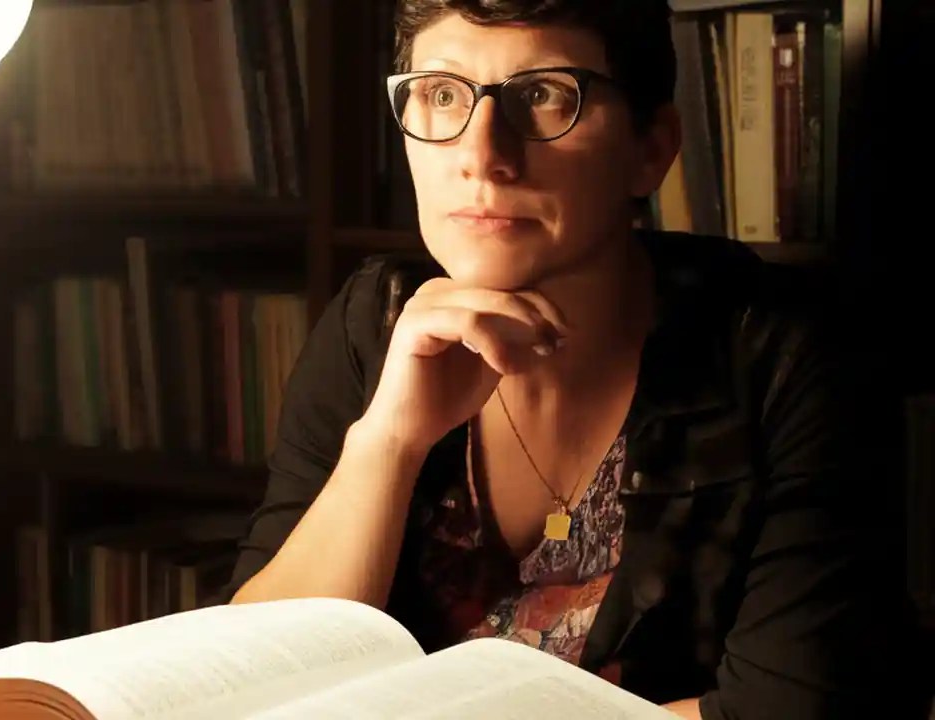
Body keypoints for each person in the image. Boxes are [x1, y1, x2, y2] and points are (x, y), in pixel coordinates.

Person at [224, 1, 933, 718]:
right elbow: (249, 679)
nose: (481, 154)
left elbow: (799, 710)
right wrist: (387, 441)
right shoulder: (374, 322)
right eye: (442, 94)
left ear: (650, 149)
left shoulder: (784, 354)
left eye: (542, 95)